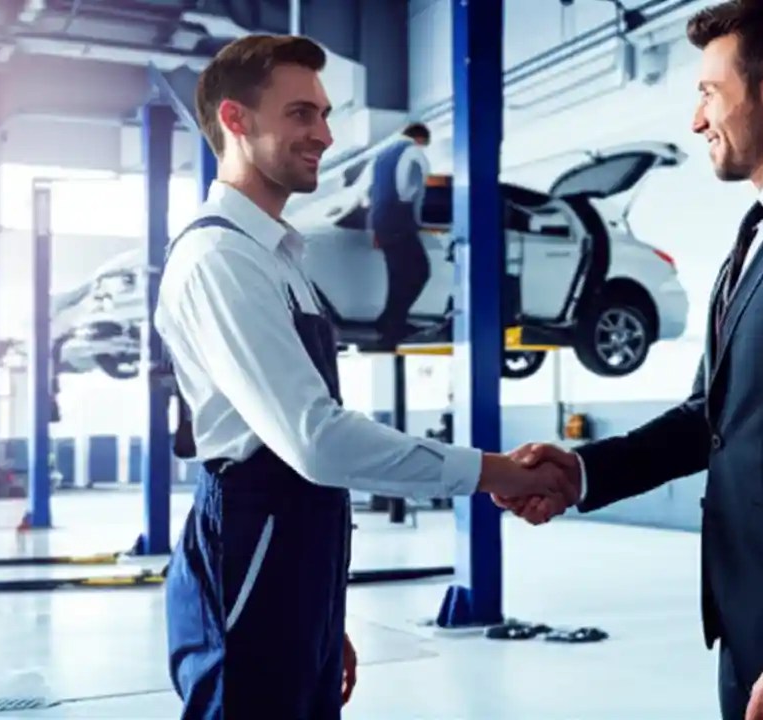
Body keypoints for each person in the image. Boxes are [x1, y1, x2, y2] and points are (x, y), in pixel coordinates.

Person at [498, 2, 763, 718]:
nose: (697, 120)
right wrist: (582, 472)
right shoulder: (757, 239)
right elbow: (713, 418)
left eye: (708, 93)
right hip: (749, 621)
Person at [154, 35, 573, 719]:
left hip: (291, 563)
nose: (324, 134)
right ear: (235, 120)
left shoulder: (277, 254)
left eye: (324, 114)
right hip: (249, 556)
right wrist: (495, 472)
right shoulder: (219, 260)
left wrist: (323, 614)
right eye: (300, 114)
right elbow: (316, 441)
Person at [370, 122, 433, 346]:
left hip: (382, 220)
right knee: (419, 271)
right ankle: (393, 324)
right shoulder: (413, 153)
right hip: (400, 217)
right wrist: (417, 220)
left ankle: (390, 322)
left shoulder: (382, 156)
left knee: (398, 275)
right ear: (420, 138)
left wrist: (376, 226)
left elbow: (373, 192)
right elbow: (410, 190)